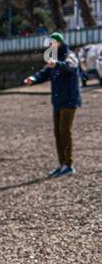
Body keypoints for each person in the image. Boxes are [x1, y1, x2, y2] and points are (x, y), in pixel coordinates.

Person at [23, 31, 83, 178]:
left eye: (52, 43)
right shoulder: (52, 58)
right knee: (57, 133)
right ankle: (62, 164)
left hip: (69, 100)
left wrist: (57, 64)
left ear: (59, 43)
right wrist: (33, 79)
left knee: (65, 132)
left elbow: (71, 67)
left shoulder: (70, 55)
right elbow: (44, 73)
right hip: (57, 101)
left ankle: (69, 165)